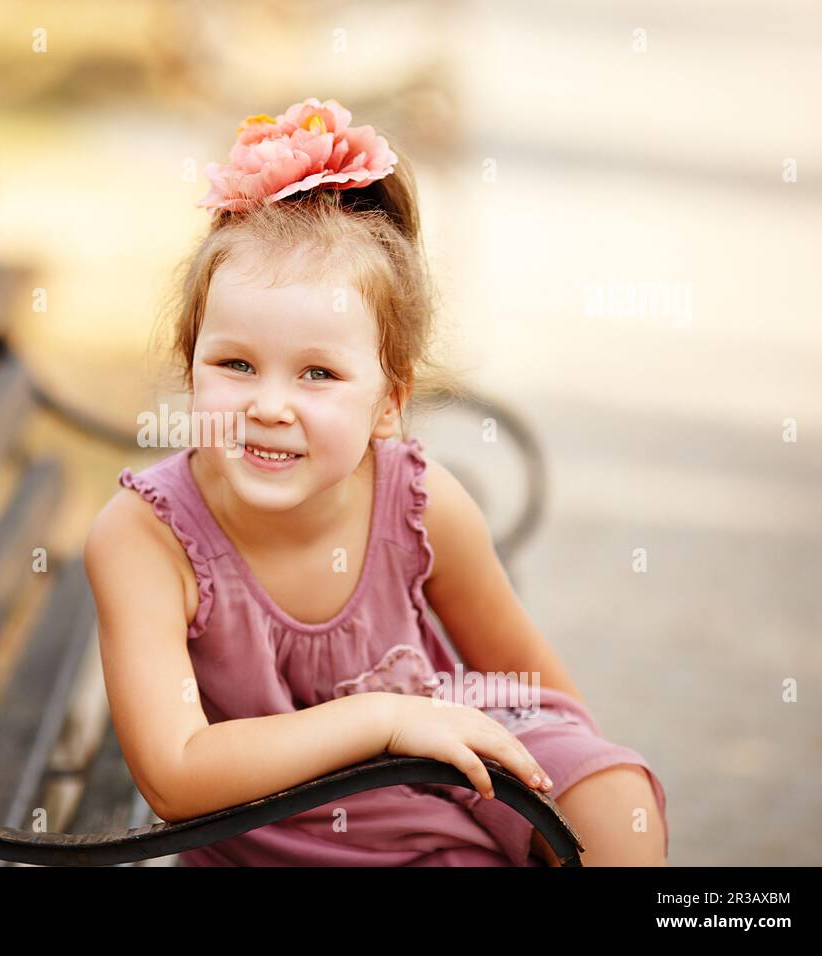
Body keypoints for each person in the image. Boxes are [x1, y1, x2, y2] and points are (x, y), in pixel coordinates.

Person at [83, 97, 668, 866]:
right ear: (188, 368)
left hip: (442, 790)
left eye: (319, 373)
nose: (268, 406)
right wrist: (382, 720)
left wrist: (585, 792)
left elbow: (544, 699)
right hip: (284, 841)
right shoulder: (144, 538)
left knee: (614, 796)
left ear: (387, 403)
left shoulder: (420, 503)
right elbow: (176, 773)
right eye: (235, 364)